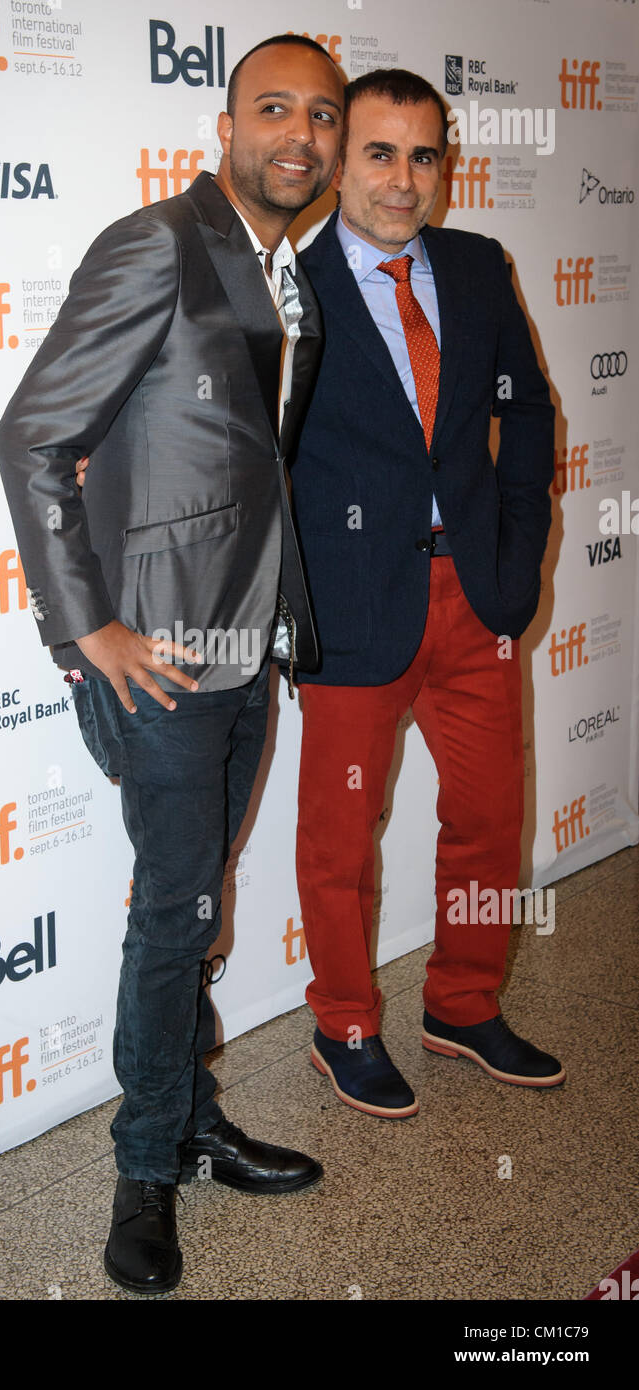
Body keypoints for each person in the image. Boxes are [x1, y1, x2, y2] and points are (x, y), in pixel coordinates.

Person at [0, 35, 345, 1293]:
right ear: (224, 126)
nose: (298, 135)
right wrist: (86, 628)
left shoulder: (285, 272)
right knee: (171, 911)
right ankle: (146, 1166)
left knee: (193, 899)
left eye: (320, 114)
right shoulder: (156, 241)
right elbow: (32, 435)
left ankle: (189, 1120)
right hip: (159, 657)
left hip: (248, 646)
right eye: (273, 109)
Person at [292, 68, 564, 1121]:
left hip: (475, 605)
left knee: (490, 821)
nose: (402, 181)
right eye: (378, 153)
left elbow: (527, 416)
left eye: (422, 155)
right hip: (355, 610)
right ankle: (343, 1022)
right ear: (336, 161)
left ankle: (461, 1002)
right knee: (338, 838)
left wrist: (518, 554)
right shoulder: (287, 287)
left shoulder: (477, 266)